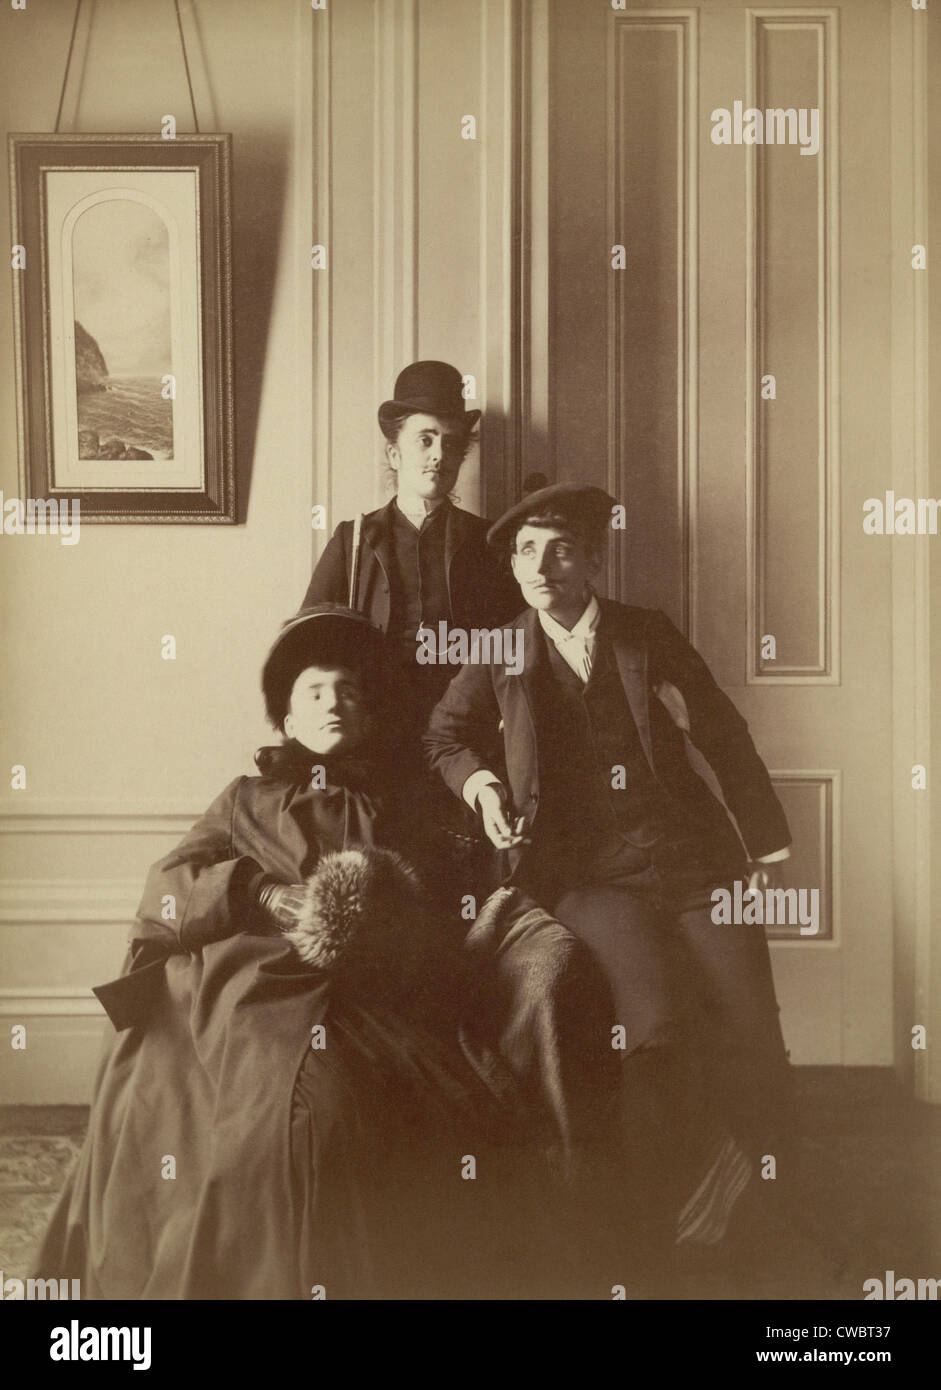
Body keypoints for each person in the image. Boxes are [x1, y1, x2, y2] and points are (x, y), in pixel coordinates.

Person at [35, 605, 515, 1299]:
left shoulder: (405, 804)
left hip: (360, 992)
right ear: (288, 720)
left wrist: (376, 920)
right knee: (279, 1112)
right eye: (314, 692)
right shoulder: (246, 800)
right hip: (242, 983)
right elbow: (167, 887)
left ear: (371, 714)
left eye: (348, 690)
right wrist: (259, 894)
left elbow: (443, 919)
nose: (333, 703)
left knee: (343, 1117)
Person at [424, 482, 799, 1286]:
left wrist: (764, 839)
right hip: (591, 879)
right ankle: (660, 1231)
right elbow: (442, 738)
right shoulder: (500, 650)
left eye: (558, 547)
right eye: (525, 550)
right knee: (651, 1035)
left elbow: (720, 728)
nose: (540, 565)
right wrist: (484, 788)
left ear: (592, 557)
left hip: (690, 860)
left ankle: (777, 1218)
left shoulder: (644, 634)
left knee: (751, 1026)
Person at [302, 360, 521, 735]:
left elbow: (515, 642)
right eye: (426, 439)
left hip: (463, 729)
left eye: (451, 443)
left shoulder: (490, 542)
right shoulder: (352, 539)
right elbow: (310, 642)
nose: (439, 454)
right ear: (394, 454)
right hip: (375, 726)